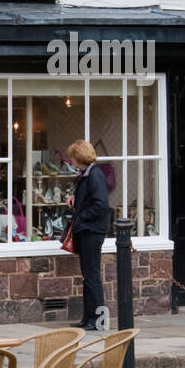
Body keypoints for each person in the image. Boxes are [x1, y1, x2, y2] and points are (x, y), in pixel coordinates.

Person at [65, 139, 110, 330]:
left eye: (73, 158)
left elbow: (101, 205)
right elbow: (91, 199)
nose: (71, 161)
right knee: (88, 276)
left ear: (79, 157)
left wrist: (82, 217)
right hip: (86, 230)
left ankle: (98, 321)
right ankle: (88, 318)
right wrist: (77, 200)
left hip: (92, 231)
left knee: (92, 276)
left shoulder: (94, 175)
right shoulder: (85, 175)